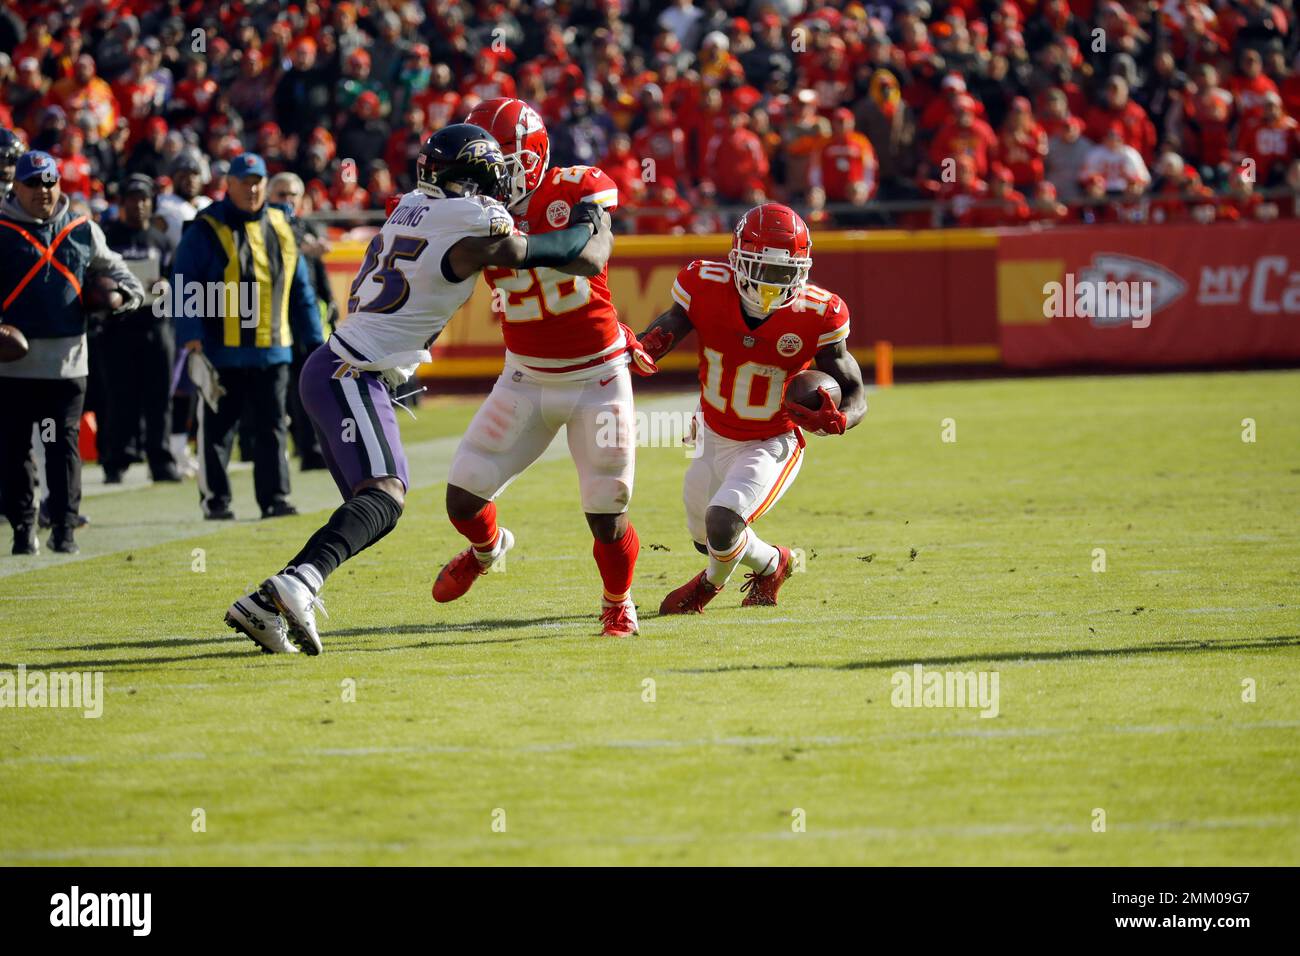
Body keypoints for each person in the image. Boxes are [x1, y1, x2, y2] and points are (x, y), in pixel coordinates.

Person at [225, 124, 615, 655]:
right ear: (473, 176)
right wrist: (591, 223)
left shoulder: (409, 205)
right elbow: (555, 251)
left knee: (370, 508)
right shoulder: (476, 218)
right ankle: (299, 584)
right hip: (353, 372)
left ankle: (266, 603)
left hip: (337, 367)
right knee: (385, 496)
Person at [437, 98, 655, 638]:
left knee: (607, 509)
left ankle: (617, 601)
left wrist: (516, 247)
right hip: (525, 376)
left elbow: (591, 255)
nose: (486, 178)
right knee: (462, 496)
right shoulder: (473, 211)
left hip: (596, 375)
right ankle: (488, 551)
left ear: (530, 158)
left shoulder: (575, 186)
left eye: (498, 164)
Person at [637, 203, 867, 613]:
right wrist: (649, 344)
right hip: (712, 430)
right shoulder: (704, 284)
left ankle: (707, 587)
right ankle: (774, 563)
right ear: (738, 259)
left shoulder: (818, 312)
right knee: (707, 539)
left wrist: (842, 417)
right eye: (761, 270)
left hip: (771, 438)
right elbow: (671, 323)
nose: (771, 286)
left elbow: (855, 391)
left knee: (723, 524)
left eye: (783, 274)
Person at [0, 151, 143, 555]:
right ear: (17, 186)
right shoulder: (2, 228)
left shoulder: (82, 228)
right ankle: (23, 527)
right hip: (11, 365)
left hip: (67, 363)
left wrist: (120, 298)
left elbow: (122, 273)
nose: (43, 191)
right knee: (14, 452)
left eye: (50, 182)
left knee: (62, 448)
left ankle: (64, 528)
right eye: (33, 183)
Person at [171, 153, 323, 521]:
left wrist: (314, 340)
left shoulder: (282, 225)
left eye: (258, 181)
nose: (252, 188)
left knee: (273, 427)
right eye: (245, 181)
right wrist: (190, 336)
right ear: (229, 185)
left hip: (273, 350)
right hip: (221, 351)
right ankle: (216, 501)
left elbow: (300, 287)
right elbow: (184, 282)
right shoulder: (206, 227)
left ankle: (275, 498)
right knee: (218, 431)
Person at [98, 173, 178, 483]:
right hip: (118, 326)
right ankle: (116, 459)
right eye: (132, 198)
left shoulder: (163, 240)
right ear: (122, 203)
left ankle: (160, 459)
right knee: (119, 396)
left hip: (156, 325)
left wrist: (167, 286)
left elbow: (181, 281)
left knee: (159, 397)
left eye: (144, 198)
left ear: (152, 203)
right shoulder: (109, 236)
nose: (138, 204)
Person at [268, 171, 335, 471]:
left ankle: (310, 449)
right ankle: (274, 451)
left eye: (292, 194)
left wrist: (331, 302)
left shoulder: (307, 226)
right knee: (275, 389)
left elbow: (318, 271)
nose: (287, 200)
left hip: (306, 320)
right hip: (273, 318)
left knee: (309, 386)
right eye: (281, 194)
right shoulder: (265, 226)